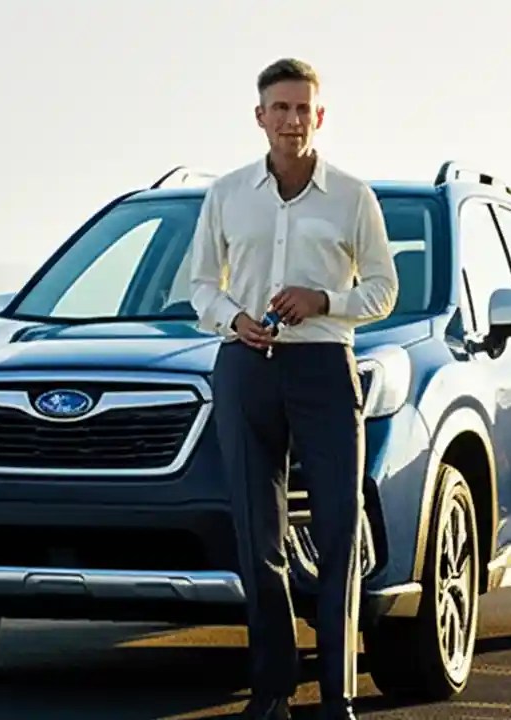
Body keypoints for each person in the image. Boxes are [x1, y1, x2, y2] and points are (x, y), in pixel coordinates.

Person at [188, 58, 399, 720]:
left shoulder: (352, 197)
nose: (291, 120)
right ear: (259, 117)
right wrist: (234, 320)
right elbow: (200, 286)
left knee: (339, 531)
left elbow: (384, 290)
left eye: (302, 108)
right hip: (245, 370)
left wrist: (324, 299)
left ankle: (337, 697)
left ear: (320, 116)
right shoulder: (226, 194)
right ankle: (272, 691)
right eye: (279, 108)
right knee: (259, 538)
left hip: (325, 373)